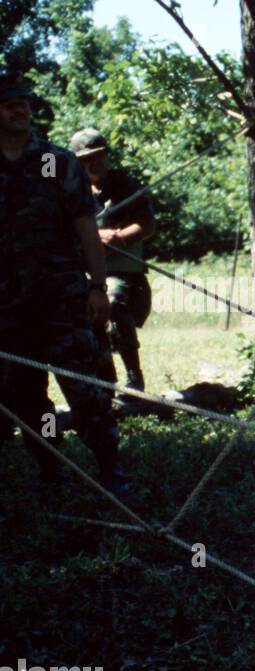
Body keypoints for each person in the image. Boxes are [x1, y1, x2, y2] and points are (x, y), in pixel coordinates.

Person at [0, 72, 131, 497]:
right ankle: (51, 467)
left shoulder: (53, 162)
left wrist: (98, 286)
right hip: (8, 311)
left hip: (62, 301)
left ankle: (111, 469)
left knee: (84, 389)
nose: (19, 109)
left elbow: (84, 227)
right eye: (8, 103)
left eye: (23, 102)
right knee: (29, 398)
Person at [70, 128, 156, 392]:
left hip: (123, 272)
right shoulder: (73, 189)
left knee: (113, 302)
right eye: (87, 159)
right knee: (81, 316)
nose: (94, 162)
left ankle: (134, 378)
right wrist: (95, 237)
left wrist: (118, 239)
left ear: (107, 155)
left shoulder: (126, 185)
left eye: (99, 156)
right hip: (86, 272)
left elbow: (147, 224)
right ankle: (106, 383)